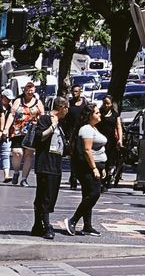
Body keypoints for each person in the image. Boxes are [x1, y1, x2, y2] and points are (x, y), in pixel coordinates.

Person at [63, 102, 107, 236]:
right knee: (94, 194)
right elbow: (87, 150)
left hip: (97, 165)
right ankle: (73, 220)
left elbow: (97, 149)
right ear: (89, 115)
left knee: (87, 195)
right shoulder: (86, 129)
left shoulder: (93, 128)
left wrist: (102, 167)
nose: (100, 115)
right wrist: (94, 168)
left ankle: (87, 226)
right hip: (88, 167)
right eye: (97, 113)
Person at [32, 98, 68, 240]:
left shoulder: (61, 123)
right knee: (45, 196)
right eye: (66, 108)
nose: (67, 111)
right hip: (46, 163)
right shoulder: (46, 119)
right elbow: (40, 137)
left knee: (49, 195)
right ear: (62, 107)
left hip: (55, 164)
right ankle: (46, 226)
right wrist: (52, 126)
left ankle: (37, 225)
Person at [10, 80, 43, 187]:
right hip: (18, 131)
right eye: (27, 90)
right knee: (17, 153)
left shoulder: (38, 102)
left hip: (31, 132)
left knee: (28, 155)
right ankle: (16, 172)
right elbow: (11, 114)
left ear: (34, 91)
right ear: (24, 91)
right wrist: (6, 128)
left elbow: (42, 115)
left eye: (31, 90)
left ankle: (24, 179)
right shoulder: (18, 101)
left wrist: (40, 126)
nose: (29, 92)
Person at [61, 85, 90, 192]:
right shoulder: (69, 104)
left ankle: (81, 177)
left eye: (77, 91)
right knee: (73, 157)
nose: (74, 93)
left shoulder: (85, 103)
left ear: (80, 92)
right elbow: (65, 120)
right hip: (73, 134)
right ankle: (73, 178)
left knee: (82, 156)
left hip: (84, 133)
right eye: (73, 91)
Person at [97, 95, 124, 188]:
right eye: (104, 103)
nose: (106, 105)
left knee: (109, 160)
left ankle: (107, 179)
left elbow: (119, 127)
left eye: (108, 103)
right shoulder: (99, 113)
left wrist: (120, 139)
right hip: (100, 140)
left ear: (111, 104)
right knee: (100, 160)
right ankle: (100, 178)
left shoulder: (115, 114)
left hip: (111, 141)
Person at [0, 90, 14, 183]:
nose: (9, 100)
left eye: (10, 99)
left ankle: (6, 175)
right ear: (2, 97)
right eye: (7, 98)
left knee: (5, 154)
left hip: (6, 135)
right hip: (2, 131)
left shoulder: (10, 108)